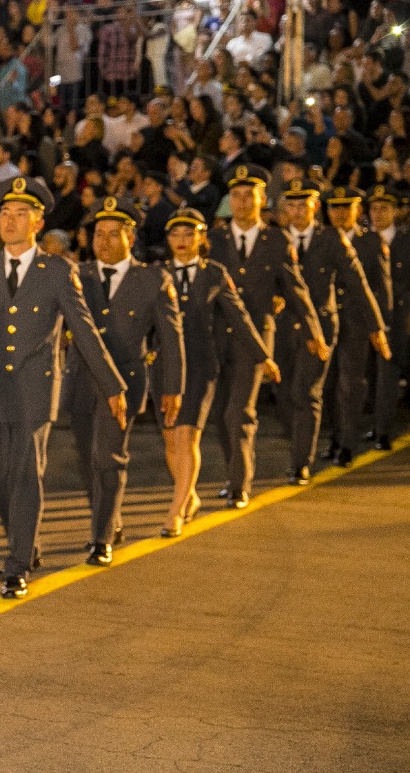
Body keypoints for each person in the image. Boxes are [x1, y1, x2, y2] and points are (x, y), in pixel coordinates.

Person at [0, 177, 126, 599]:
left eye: (21, 214)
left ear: (38, 222)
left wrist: (112, 385)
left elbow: (84, 330)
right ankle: (25, 543)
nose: (10, 221)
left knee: (27, 474)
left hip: (35, 388)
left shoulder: (57, 271)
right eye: (5, 214)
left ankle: (17, 565)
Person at [70, 197, 184, 565]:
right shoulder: (77, 276)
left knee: (109, 456)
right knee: (89, 458)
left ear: (130, 238)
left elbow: (171, 338)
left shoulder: (152, 280)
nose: (102, 242)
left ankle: (101, 537)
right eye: (97, 235)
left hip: (125, 381)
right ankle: (110, 518)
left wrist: (173, 388)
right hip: (81, 380)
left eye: (111, 235)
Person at [205, 165, 325, 508]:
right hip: (218, 337)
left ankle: (239, 484)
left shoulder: (276, 240)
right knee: (221, 412)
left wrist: (314, 331)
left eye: (250, 195)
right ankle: (233, 473)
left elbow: (296, 289)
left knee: (239, 411)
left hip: (256, 338)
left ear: (263, 200)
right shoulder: (214, 240)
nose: (243, 202)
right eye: (237, 195)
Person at [157, 208, 277, 537]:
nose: (182, 241)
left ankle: (176, 511)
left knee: (187, 435)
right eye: (175, 235)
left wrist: (263, 356)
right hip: (163, 365)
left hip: (199, 364)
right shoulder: (157, 273)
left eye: (189, 234)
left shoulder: (214, 273)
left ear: (201, 238)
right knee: (170, 439)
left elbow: (239, 316)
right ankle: (189, 495)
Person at [275, 177, 388, 484]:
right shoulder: (275, 238)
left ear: (315, 206)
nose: (298, 211)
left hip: (322, 327)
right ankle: (304, 448)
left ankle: (302, 463)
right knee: (285, 395)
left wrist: (376, 326)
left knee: (308, 392)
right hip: (285, 328)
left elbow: (358, 282)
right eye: (292, 205)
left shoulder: (330, 238)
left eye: (303, 204)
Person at [324, 186, 391, 465]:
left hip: (357, 323)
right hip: (326, 322)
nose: (340, 213)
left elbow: (381, 288)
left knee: (350, 386)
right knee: (328, 386)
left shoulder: (371, 242)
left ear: (358, 211)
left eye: (346, 207)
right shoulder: (322, 239)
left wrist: (380, 326)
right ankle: (335, 438)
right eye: (334, 207)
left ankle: (347, 445)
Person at [366, 184, 409, 449]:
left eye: (384, 208)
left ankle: (383, 430)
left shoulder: (405, 241)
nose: (378, 214)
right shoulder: (363, 240)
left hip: (398, 318)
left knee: (388, 375)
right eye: (374, 209)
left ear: (395, 211)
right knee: (370, 375)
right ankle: (375, 425)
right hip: (367, 318)